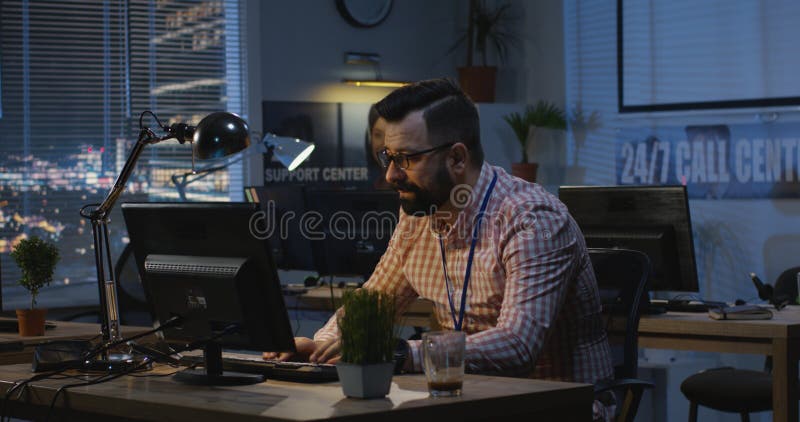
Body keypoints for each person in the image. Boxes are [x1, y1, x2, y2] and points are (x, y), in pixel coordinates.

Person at [265, 78, 613, 417]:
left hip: (557, 406)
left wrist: (401, 352)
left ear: (457, 159)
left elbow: (518, 345)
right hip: (466, 402)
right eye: (388, 156)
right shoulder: (417, 217)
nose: (390, 175)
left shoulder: (532, 220)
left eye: (406, 159)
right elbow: (372, 303)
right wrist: (321, 346)